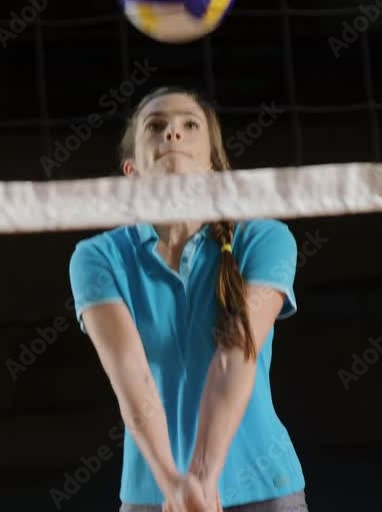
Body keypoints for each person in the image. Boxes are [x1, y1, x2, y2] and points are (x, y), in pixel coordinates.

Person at [69, 86, 308, 512]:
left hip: (265, 487)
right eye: (156, 126)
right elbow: (132, 378)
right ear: (132, 171)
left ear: (213, 168)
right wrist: (174, 484)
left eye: (189, 125)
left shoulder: (264, 237)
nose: (172, 134)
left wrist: (202, 476)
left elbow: (236, 354)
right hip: (154, 492)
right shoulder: (97, 257)